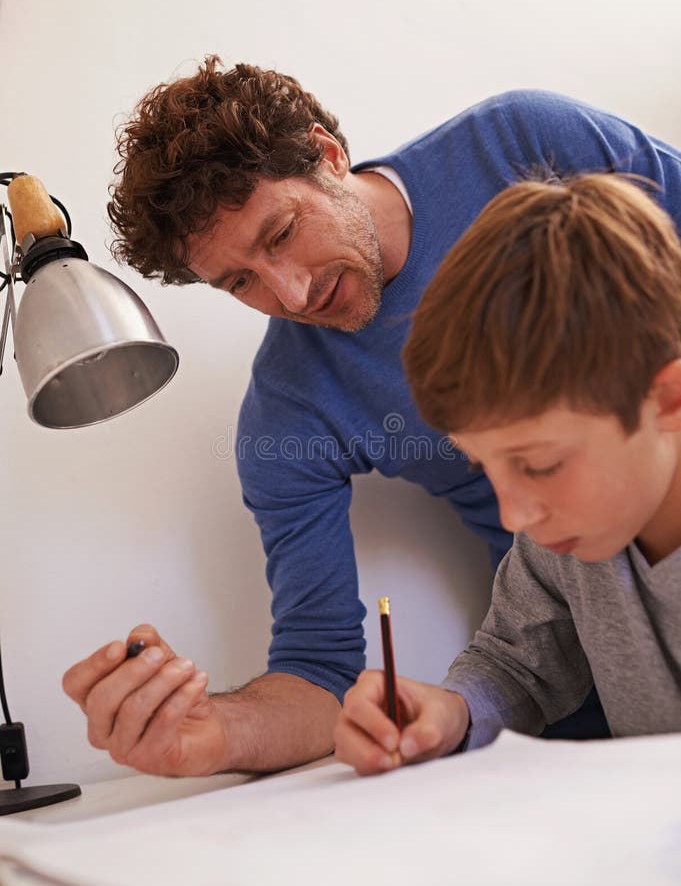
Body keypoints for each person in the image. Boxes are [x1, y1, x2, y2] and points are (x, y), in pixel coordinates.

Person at [62, 57, 681, 777]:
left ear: (328, 155)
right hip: (563, 720)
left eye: (282, 233)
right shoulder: (288, 415)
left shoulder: (525, 142)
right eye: (238, 282)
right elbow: (325, 668)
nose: (289, 295)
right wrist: (212, 733)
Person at [334, 172, 681, 775]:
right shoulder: (567, 538)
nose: (513, 513)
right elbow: (517, 664)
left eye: (540, 465)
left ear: (669, 399)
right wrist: (451, 712)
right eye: (482, 464)